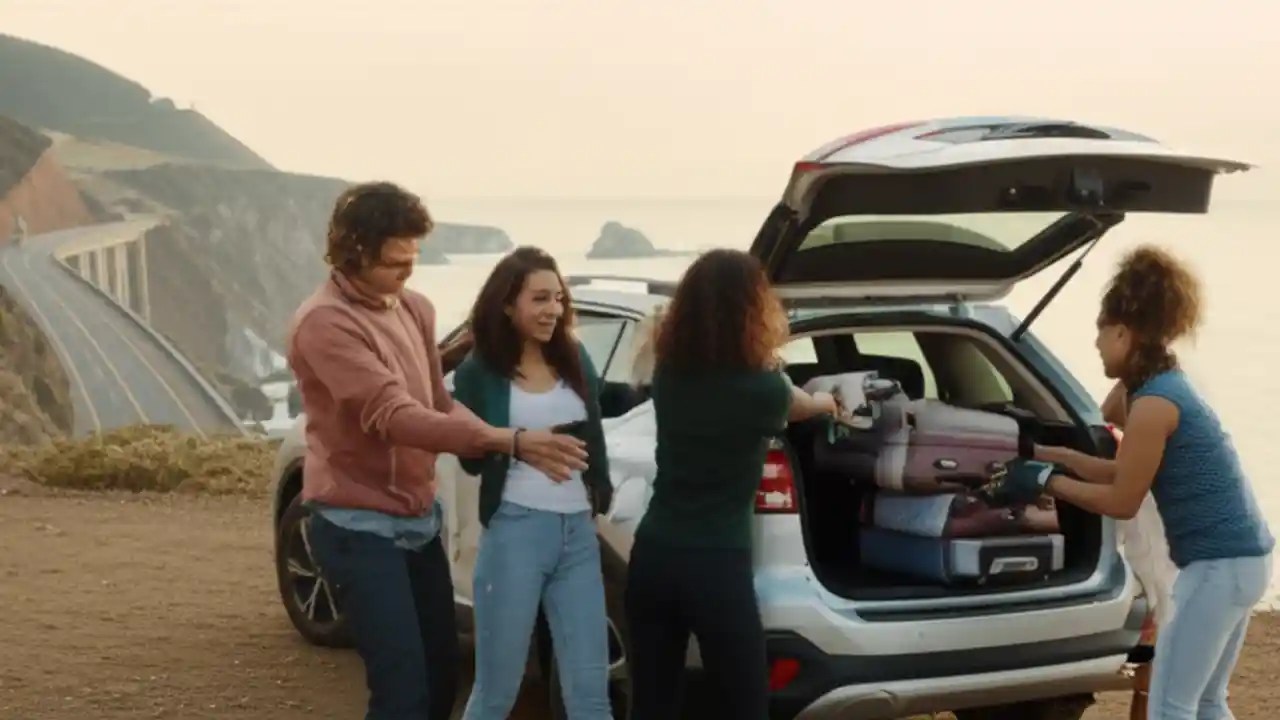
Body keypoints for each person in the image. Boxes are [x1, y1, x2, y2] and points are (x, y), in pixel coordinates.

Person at [287, 183, 588, 720]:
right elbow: (393, 416)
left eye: (412, 259)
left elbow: (437, 400)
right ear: (351, 251)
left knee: (441, 674)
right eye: (392, 263)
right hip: (356, 524)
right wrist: (509, 440)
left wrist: (508, 442)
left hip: (419, 519)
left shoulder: (414, 307)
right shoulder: (324, 322)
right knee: (401, 689)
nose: (406, 273)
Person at [1028, 245, 1273, 720]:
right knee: (1205, 701)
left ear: (1122, 331)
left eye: (1099, 335)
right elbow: (1124, 470)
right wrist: (1053, 456)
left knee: (1169, 706)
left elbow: (1122, 500)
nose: (1096, 346)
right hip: (1247, 560)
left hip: (1216, 568)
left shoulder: (1153, 404)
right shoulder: (1166, 387)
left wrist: (1048, 482)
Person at [623, 249, 840, 720]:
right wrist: (831, 403)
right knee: (744, 705)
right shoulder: (763, 391)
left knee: (653, 705)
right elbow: (804, 404)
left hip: (653, 557)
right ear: (753, 310)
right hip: (715, 566)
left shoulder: (670, 375)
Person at [451, 247, 615, 720]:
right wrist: (515, 442)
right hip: (515, 532)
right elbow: (470, 458)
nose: (553, 310)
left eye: (559, 299)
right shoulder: (479, 370)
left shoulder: (575, 356)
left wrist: (597, 492)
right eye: (540, 299)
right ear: (508, 304)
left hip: (577, 536)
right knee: (497, 693)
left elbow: (596, 432)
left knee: (590, 694)